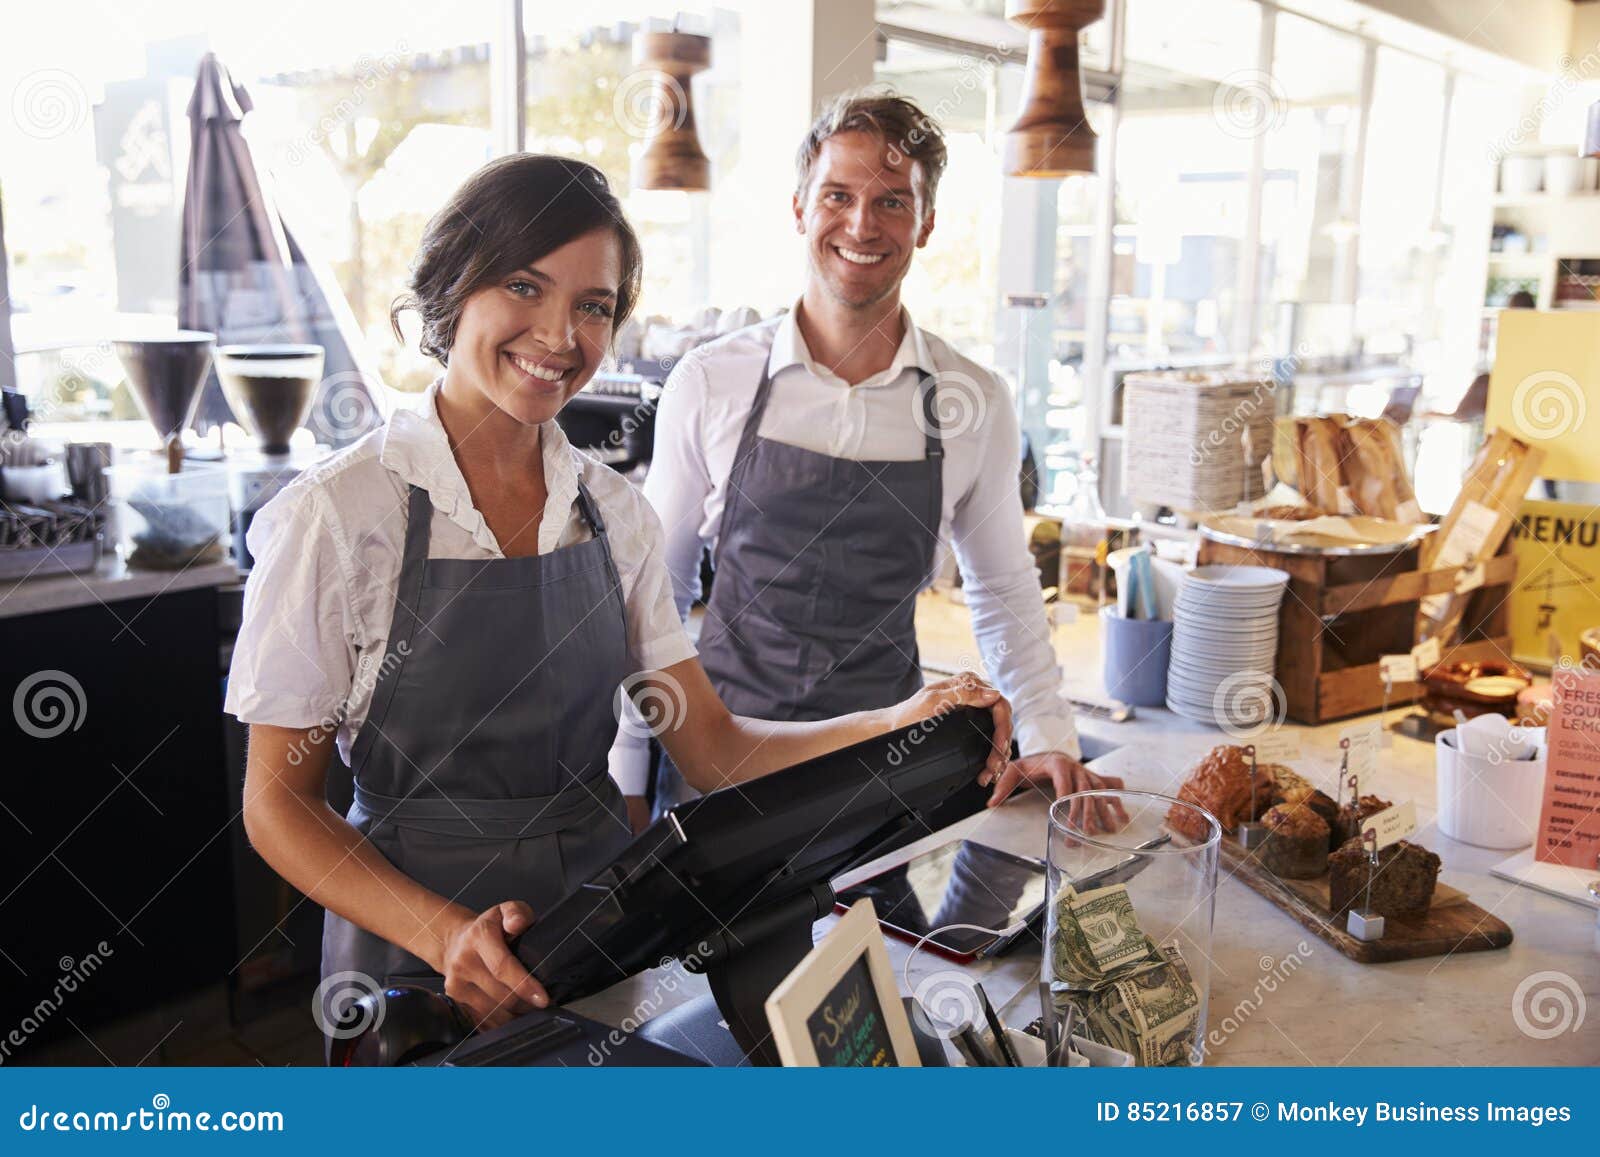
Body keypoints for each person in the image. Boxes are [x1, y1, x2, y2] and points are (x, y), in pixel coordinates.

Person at [226, 154, 1016, 1034]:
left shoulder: (613, 517)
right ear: (455, 285)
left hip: (597, 936)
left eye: (593, 306)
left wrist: (897, 722)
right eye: (525, 286)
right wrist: (447, 936)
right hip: (409, 954)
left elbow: (713, 748)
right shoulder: (338, 518)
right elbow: (278, 804)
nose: (560, 335)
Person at [612, 93, 1122, 830]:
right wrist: (628, 771)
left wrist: (1048, 737)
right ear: (798, 208)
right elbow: (655, 594)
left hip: (887, 778)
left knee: (885, 947)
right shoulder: (711, 380)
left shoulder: (974, 401)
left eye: (891, 201)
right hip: (720, 777)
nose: (861, 224)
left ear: (927, 223)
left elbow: (1006, 590)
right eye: (838, 196)